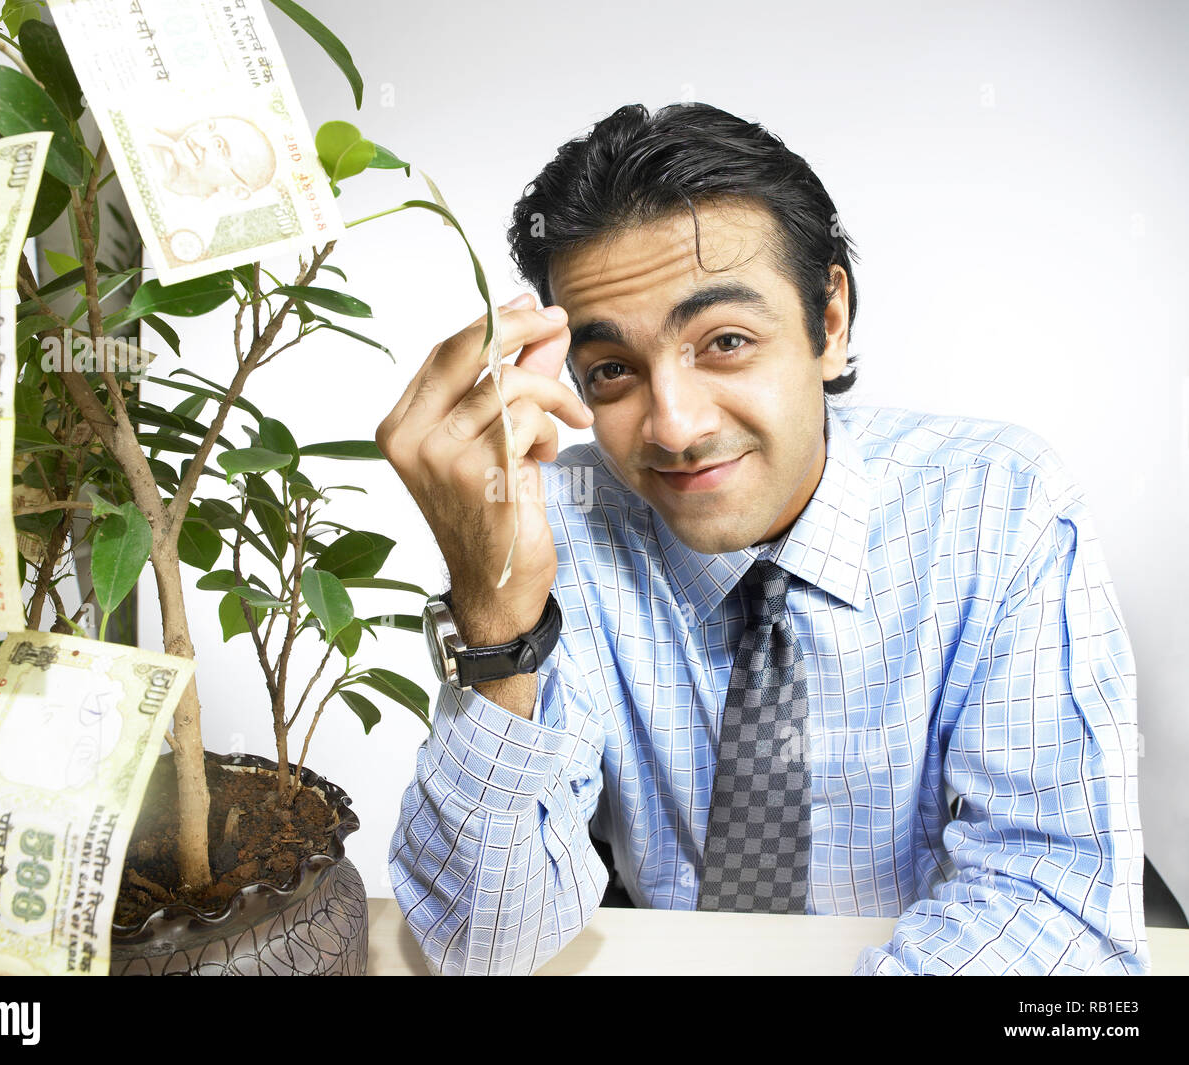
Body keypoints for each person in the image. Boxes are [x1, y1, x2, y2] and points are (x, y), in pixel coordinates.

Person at [379, 103, 1147, 975]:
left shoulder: (996, 505)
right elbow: (484, 947)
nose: (673, 426)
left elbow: (1058, 917)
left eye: (727, 341)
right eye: (614, 371)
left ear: (830, 321)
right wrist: (494, 614)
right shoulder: (560, 520)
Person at [148, 116, 276, 201]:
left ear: (237, 191)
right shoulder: (147, 138)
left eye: (220, 147)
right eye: (209, 127)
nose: (200, 138)